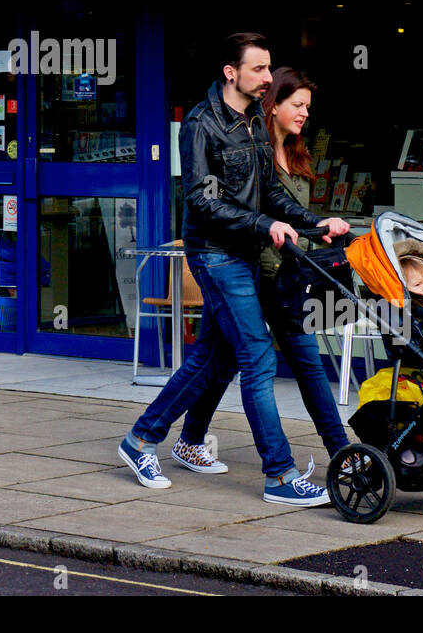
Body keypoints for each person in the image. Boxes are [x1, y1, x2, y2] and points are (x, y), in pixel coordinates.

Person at [117, 34, 346, 506]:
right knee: (257, 359)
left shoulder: (252, 124)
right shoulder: (202, 124)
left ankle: (141, 440)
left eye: (268, 70)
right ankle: (279, 476)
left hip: (243, 250)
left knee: (210, 359)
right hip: (215, 255)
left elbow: (270, 194)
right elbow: (202, 199)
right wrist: (266, 224)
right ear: (231, 72)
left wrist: (311, 222)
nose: (267, 78)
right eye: (259, 70)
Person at [171, 68, 353, 472]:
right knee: (226, 362)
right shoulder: (252, 149)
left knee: (229, 361)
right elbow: (221, 203)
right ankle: (176, 439)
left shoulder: (294, 151)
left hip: (285, 277)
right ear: (274, 106)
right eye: (298, 104)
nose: (306, 113)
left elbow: (289, 211)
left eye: (308, 106)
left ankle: (341, 452)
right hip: (253, 272)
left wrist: (316, 224)